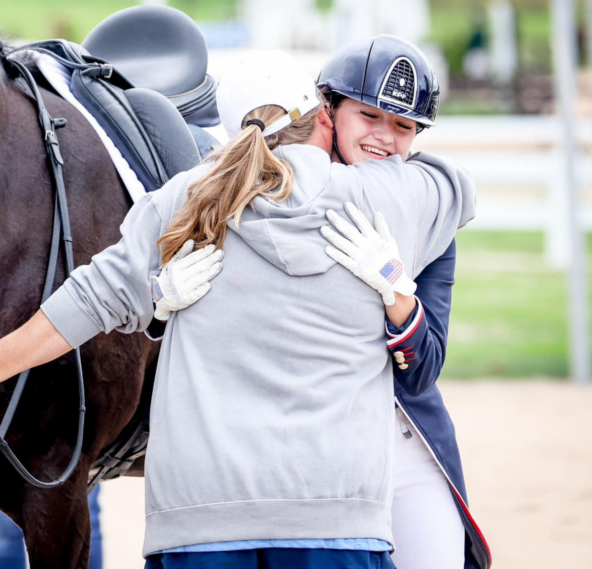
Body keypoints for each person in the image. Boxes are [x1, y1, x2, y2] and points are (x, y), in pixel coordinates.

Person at [0, 50, 475, 568]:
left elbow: (84, 302)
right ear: (325, 120)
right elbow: (459, 187)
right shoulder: (397, 198)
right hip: (335, 510)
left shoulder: (184, 201)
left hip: (198, 518)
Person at [157, 36, 491, 569]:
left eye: (403, 126)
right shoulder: (250, 186)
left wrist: (398, 293)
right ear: (328, 112)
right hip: (294, 457)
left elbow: (423, 370)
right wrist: (161, 303)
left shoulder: (422, 209)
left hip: (397, 433)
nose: (385, 137)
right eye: (370, 116)